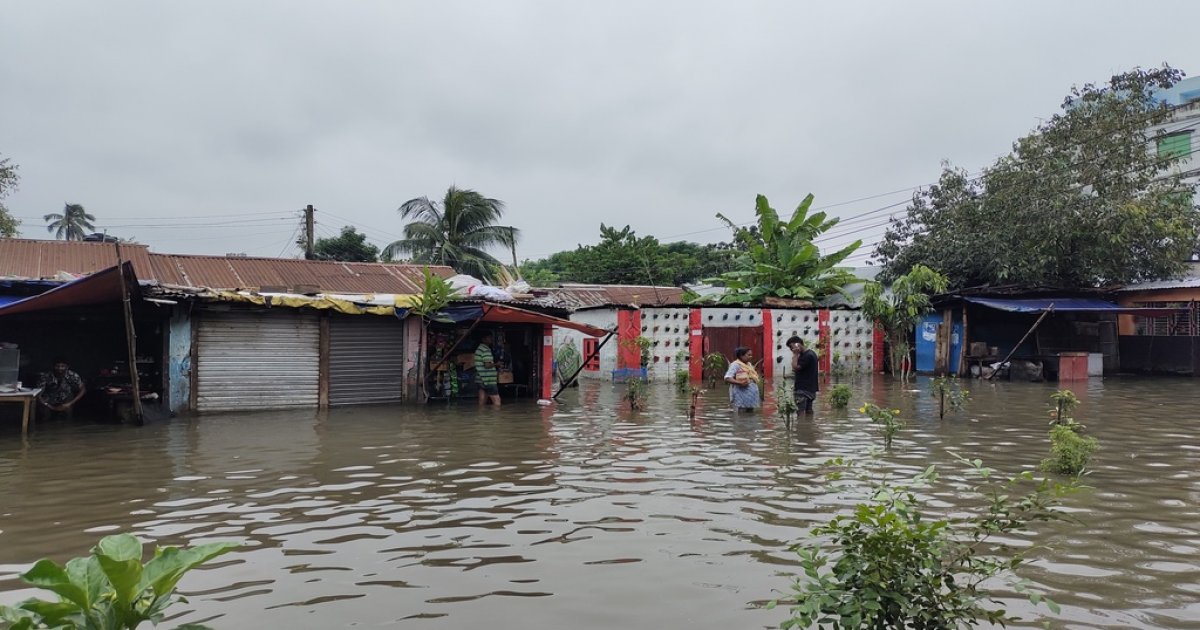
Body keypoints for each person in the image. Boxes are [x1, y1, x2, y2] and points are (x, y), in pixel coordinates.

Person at [723, 347, 761, 412]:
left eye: (751, 355)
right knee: (742, 413)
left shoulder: (749, 364)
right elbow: (727, 378)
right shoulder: (735, 365)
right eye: (748, 355)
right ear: (741, 355)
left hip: (751, 395)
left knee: (750, 413)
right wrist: (740, 383)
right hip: (742, 394)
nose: (751, 357)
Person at [788, 336, 819, 413]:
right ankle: (809, 421)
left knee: (800, 413)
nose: (791, 350)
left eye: (791, 347)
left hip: (802, 390)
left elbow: (795, 367)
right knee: (809, 412)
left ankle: (803, 422)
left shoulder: (807, 356)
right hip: (811, 389)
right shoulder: (811, 353)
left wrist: (795, 354)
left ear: (798, 344)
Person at [474, 332, 502, 406]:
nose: (491, 339)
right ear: (483, 339)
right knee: (497, 401)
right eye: (489, 337)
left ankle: (481, 413)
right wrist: (497, 364)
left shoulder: (479, 349)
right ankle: (497, 413)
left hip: (480, 378)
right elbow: (487, 365)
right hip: (488, 379)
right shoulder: (485, 350)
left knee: (482, 401)